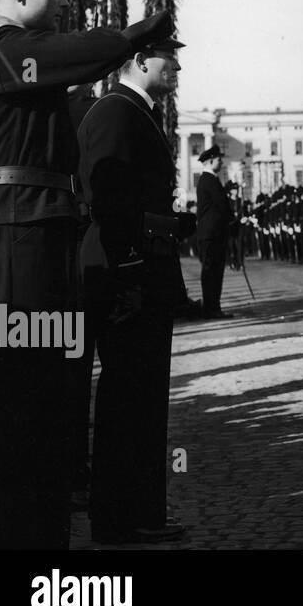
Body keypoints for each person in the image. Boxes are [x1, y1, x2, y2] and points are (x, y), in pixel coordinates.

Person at [0, 0, 176, 550]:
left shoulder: (14, 55)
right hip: (14, 234)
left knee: (48, 396)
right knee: (20, 393)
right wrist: (136, 34)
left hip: (34, 230)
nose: (63, 3)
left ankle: (39, 531)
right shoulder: (1, 48)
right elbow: (73, 53)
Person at [78, 28, 193, 544]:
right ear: (142, 59)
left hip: (145, 271)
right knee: (130, 398)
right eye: (170, 59)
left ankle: (140, 512)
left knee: (142, 397)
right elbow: (107, 200)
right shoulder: (116, 112)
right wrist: (125, 273)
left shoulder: (133, 110)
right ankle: (122, 518)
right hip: (131, 276)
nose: (177, 67)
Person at [195, 146, 235, 320]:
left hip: (211, 233)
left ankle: (212, 307)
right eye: (219, 159)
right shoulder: (209, 180)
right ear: (211, 161)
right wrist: (233, 221)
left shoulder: (208, 179)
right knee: (212, 272)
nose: (221, 162)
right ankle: (211, 309)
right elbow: (222, 205)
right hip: (212, 234)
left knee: (213, 272)